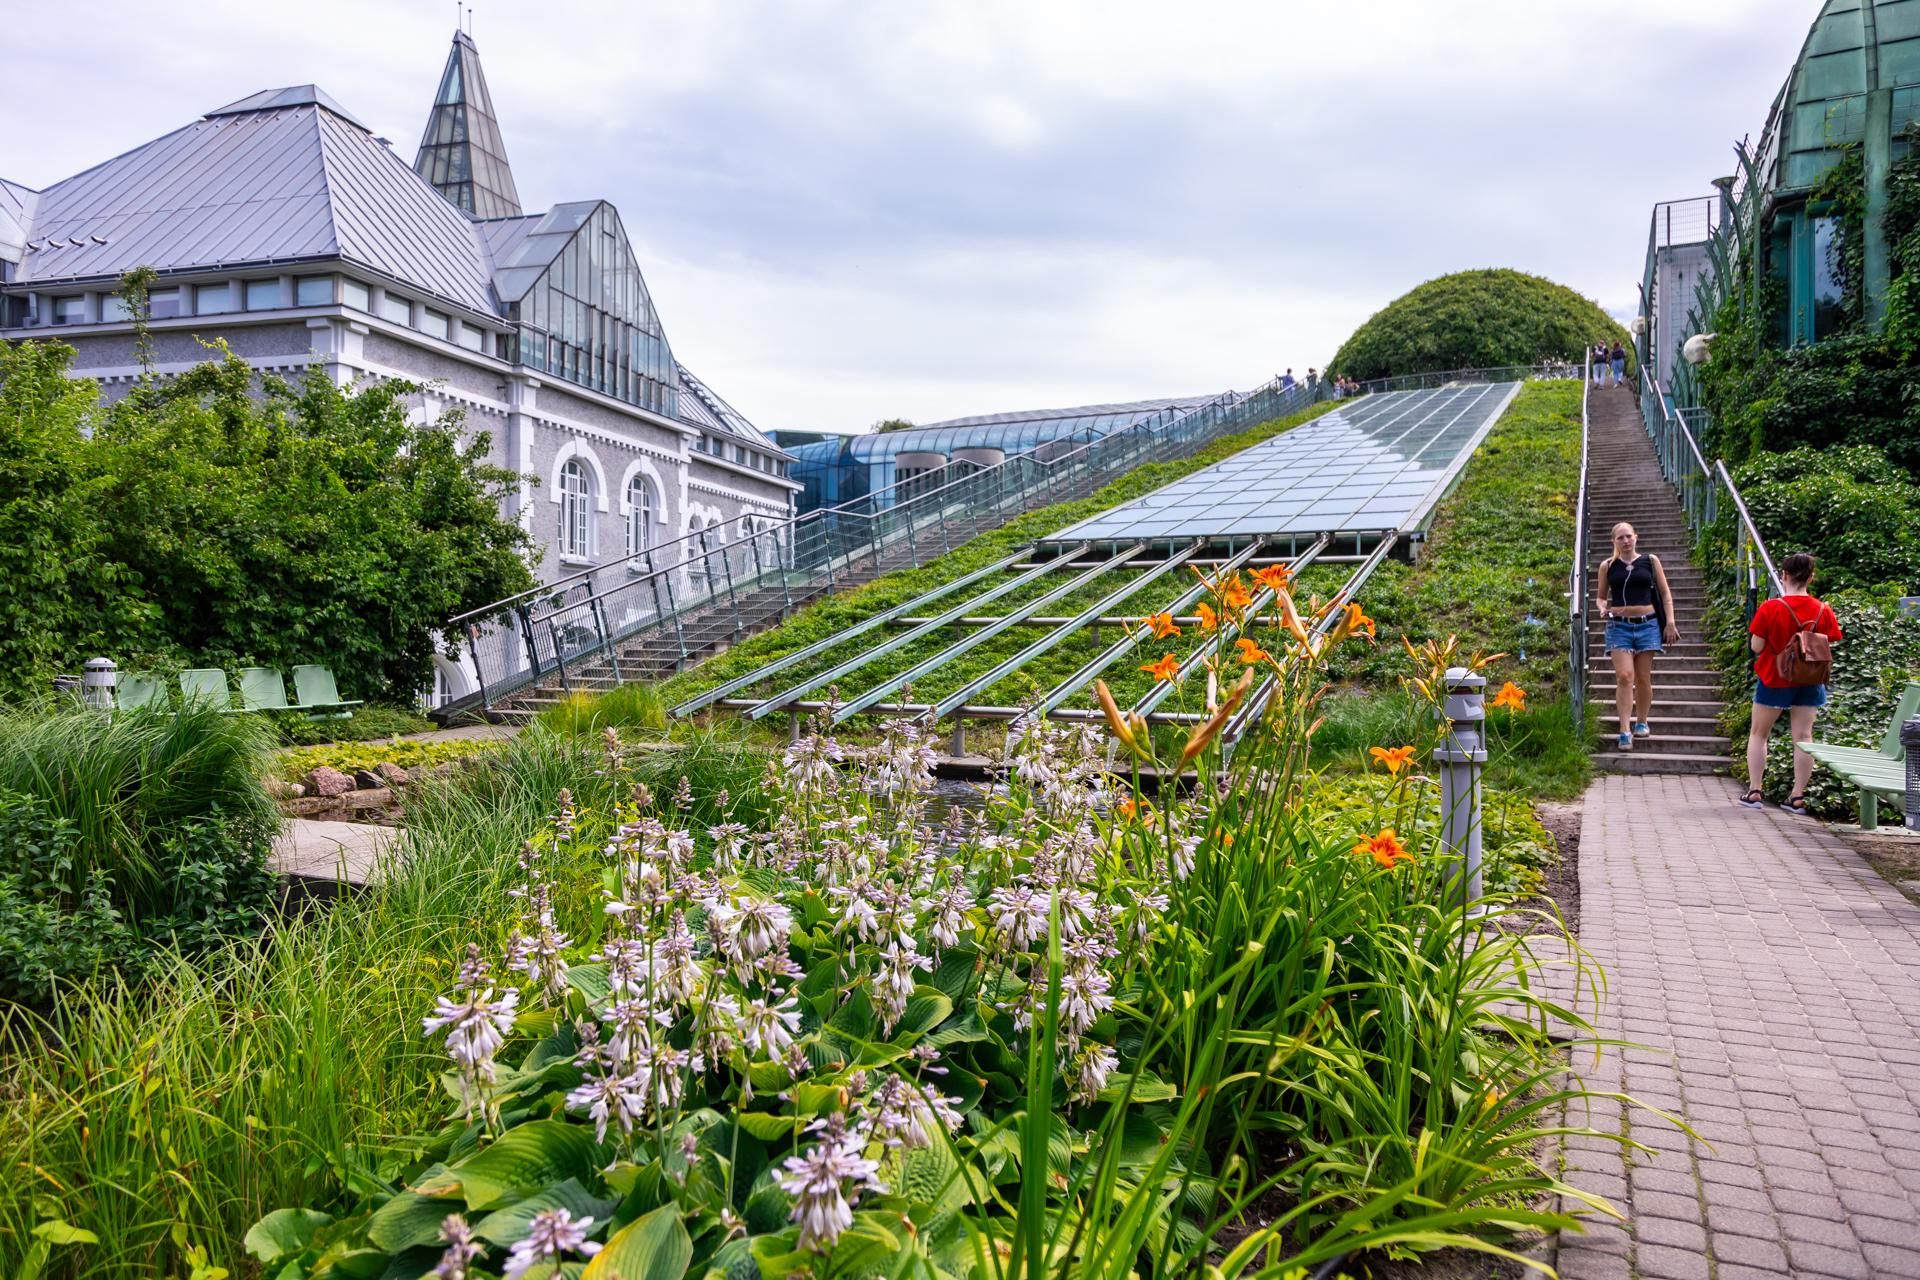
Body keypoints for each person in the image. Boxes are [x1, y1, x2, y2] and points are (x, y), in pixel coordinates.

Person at [1740, 552, 1843, 813]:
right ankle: (1797, 797)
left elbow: (1756, 646)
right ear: (1811, 577)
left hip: (1774, 678)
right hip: (1809, 679)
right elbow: (1829, 641)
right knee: (1804, 737)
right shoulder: (1823, 609)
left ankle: (1755, 790)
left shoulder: (1770, 608)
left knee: (1759, 733)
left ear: (1783, 575)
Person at [1595, 521, 1681, 751]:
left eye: (1628, 536)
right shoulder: (1608, 566)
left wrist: (1670, 622)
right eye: (1620, 538)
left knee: (1643, 677)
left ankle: (1641, 721)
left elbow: (1665, 593)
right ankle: (1624, 729)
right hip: (1619, 626)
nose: (1625, 541)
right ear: (1613, 541)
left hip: (1648, 625)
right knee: (1624, 675)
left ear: (1636, 537)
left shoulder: (1650, 561)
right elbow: (1601, 596)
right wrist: (1602, 607)